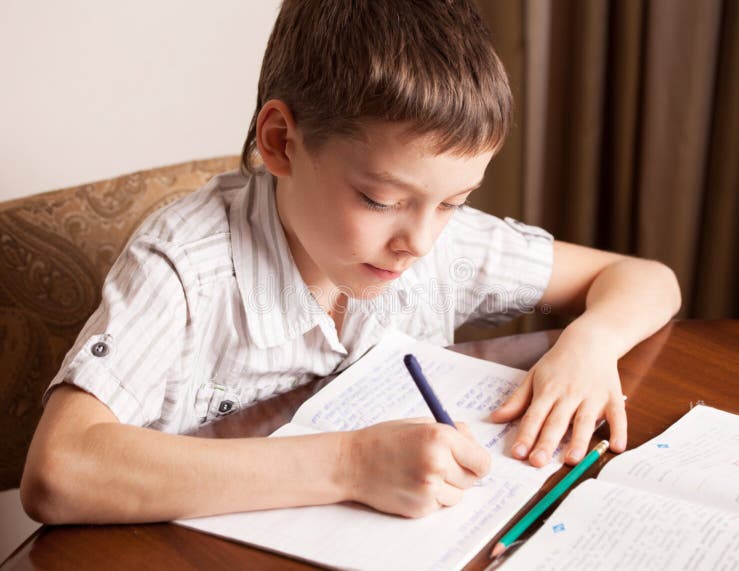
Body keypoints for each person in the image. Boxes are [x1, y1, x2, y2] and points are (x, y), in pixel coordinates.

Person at [20, 0, 680, 524]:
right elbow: (59, 469)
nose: (420, 241)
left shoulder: (437, 242)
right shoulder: (185, 267)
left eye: (454, 202)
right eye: (380, 200)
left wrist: (590, 343)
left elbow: (648, 281)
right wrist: (351, 464)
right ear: (281, 142)